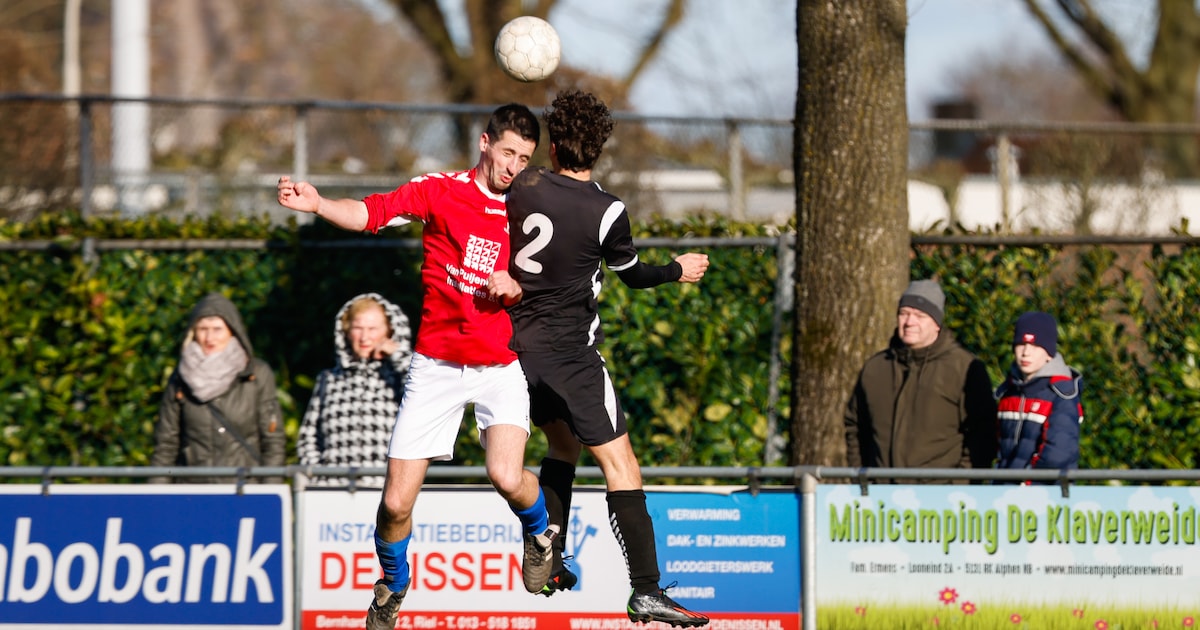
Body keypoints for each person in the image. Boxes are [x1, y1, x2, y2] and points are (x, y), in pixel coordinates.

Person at [276, 103, 556, 630]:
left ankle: (541, 532)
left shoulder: (532, 209)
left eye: (524, 157)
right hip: (436, 366)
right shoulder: (439, 190)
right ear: (485, 143)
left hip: (500, 364)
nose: (514, 165)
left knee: (504, 474)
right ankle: (394, 582)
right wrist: (318, 204)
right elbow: (371, 213)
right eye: (508, 152)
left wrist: (517, 286)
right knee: (395, 504)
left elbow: (550, 281)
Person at [487, 89, 710, 628]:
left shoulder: (523, 185)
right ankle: (647, 589)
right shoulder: (607, 210)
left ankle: (551, 554)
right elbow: (632, 275)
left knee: (561, 445)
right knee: (621, 465)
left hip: (517, 353)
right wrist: (677, 270)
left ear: (553, 141)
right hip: (572, 357)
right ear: (601, 147)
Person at [843, 279, 998, 478]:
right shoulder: (876, 368)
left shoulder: (965, 369)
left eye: (920, 315)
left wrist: (960, 486)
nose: (909, 322)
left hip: (939, 500)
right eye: (904, 313)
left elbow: (982, 435)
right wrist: (863, 477)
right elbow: (854, 425)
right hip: (880, 498)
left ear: (937, 324)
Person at [150, 292, 285, 484]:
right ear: (193, 332)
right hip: (194, 492)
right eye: (203, 329)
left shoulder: (257, 375)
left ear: (232, 331)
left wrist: (270, 492)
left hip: (244, 491)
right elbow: (166, 445)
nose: (209, 337)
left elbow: (273, 442)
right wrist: (156, 498)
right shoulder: (180, 378)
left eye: (217, 329)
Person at [297, 293, 413, 487]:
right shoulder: (329, 379)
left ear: (389, 331)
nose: (364, 336)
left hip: (386, 490)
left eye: (373, 328)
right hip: (332, 492)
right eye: (358, 328)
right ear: (346, 331)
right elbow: (308, 437)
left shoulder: (398, 376)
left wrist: (398, 354)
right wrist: (319, 479)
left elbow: (424, 393)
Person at [995, 311, 1083, 473]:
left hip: (1043, 495)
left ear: (1049, 354)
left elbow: (1058, 454)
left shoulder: (1062, 394)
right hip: (1004, 493)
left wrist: (1026, 485)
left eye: (1035, 346)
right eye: (1021, 344)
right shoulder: (1008, 392)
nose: (1026, 352)